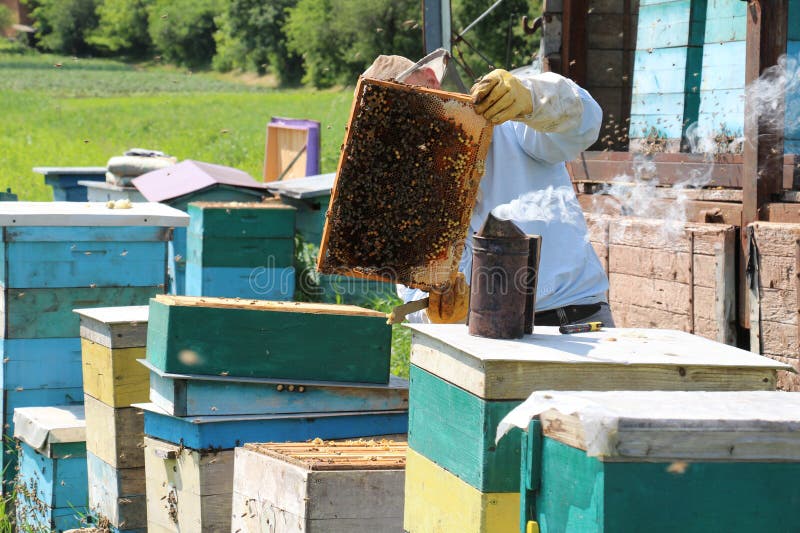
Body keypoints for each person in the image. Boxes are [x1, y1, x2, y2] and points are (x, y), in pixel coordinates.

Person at [365, 55, 613, 327]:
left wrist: (532, 98)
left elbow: (585, 124)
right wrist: (433, 313)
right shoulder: (400, 188)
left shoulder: (511, 123)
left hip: (571, 321)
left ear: (430, 79)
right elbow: (412, 289)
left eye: (403, 100)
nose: (403, 120)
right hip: (485, 335)